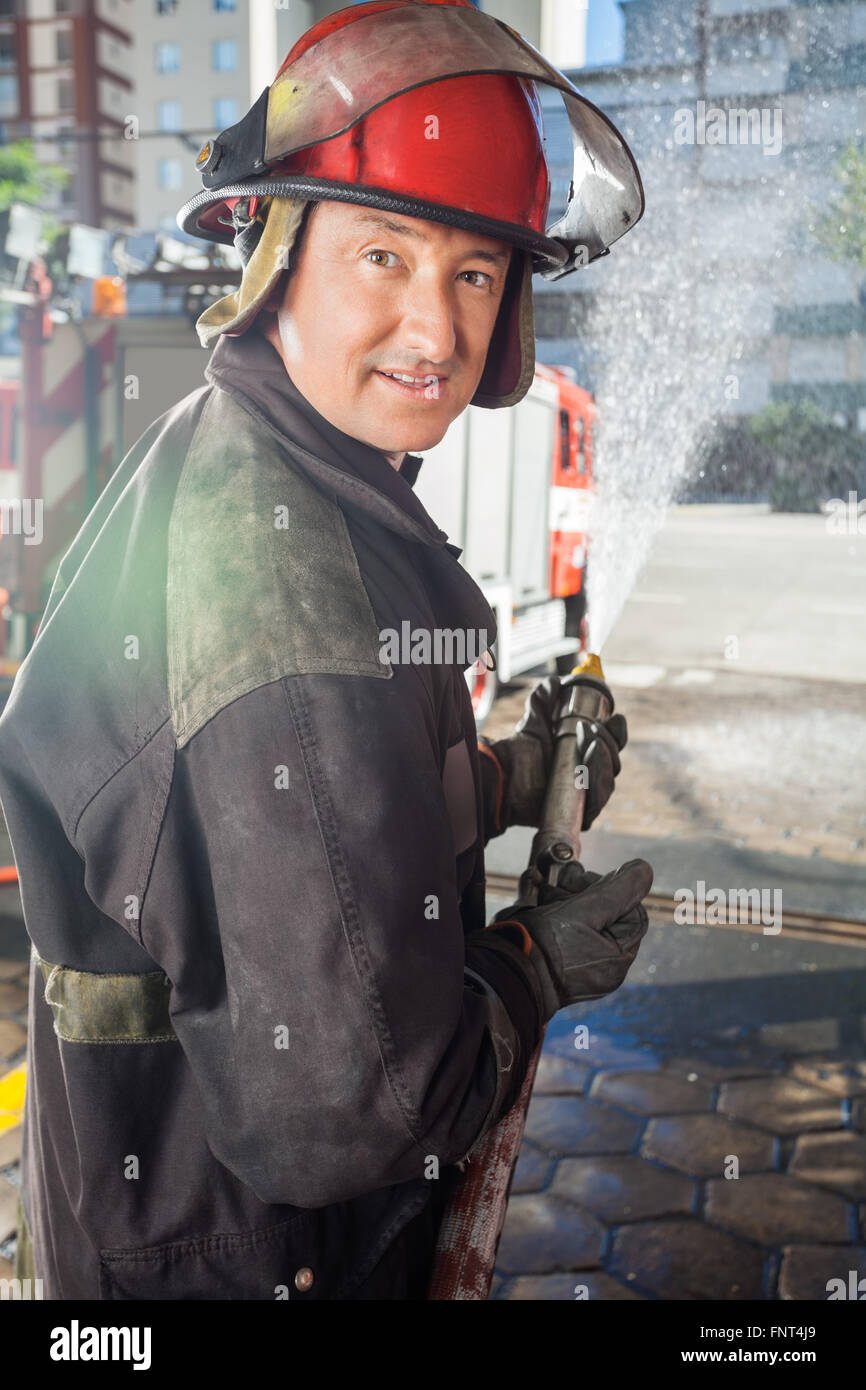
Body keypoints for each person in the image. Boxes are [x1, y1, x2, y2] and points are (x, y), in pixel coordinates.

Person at [0, 0, 651, 1301]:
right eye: (383, 256)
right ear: (280, 260)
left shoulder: (254, 453)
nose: (435, 328)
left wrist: (503, 781)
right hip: (238, 1256)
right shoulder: (282, 576)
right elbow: (348, 1108)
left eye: (473, 271)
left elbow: (274, 829)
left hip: (147, 1211)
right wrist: (530, 971)